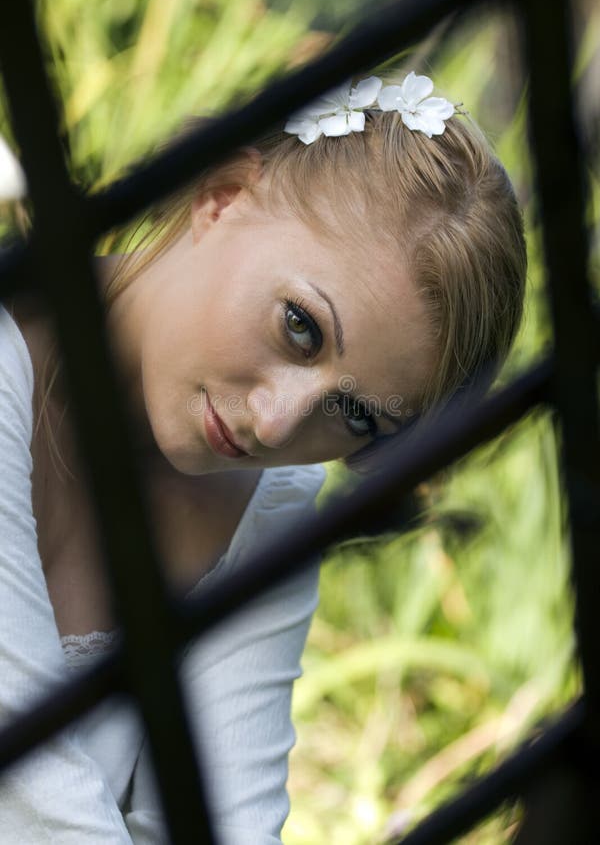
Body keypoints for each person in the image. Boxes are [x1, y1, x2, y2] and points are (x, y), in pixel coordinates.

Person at [0, 71, 527, 843]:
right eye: (300, 326)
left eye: (355, 415)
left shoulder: (268, 505)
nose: (279, 427)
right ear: (220, 195)